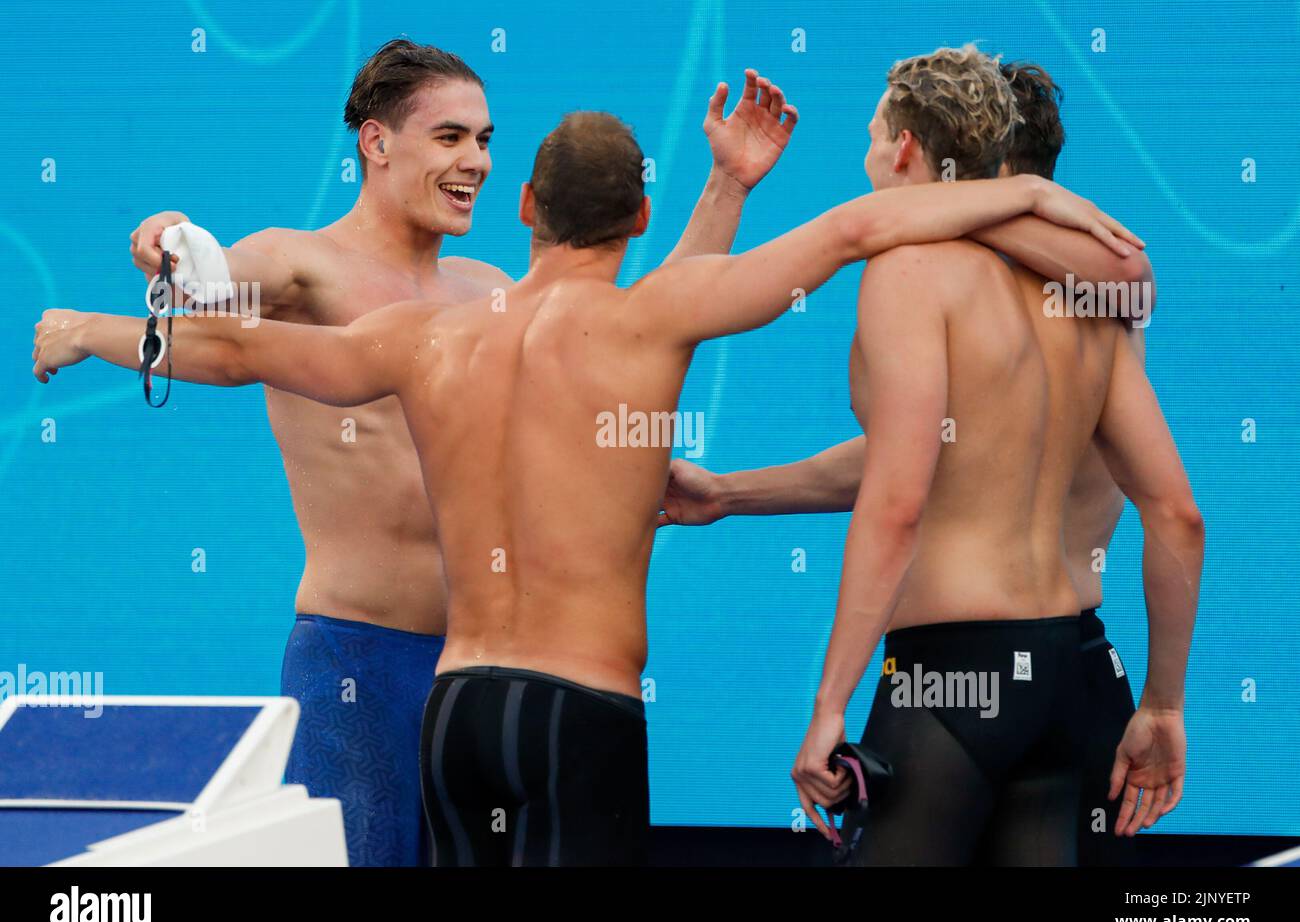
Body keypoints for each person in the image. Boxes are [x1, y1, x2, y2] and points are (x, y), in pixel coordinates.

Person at [35, 103, 1138, 864]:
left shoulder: (430, 338)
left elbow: (235, 350)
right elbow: (856, 228)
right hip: (579, 714)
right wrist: (1020, 191)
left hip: (456, 708)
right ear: (641, 221)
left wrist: (87, 328)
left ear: (524, 207)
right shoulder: (649, 320)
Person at [31, 39, 806, 867]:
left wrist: (726, 187)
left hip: (476, 680)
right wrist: (170, 248)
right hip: (357, 663)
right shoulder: (303, 267)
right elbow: (221, 302)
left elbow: (647, 325)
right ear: (376, 143)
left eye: (484, 140)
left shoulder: (486, 290)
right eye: (450, 138)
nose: (474, 159)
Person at [661, 61, 1162, 865]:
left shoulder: (911, 271)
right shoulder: (1097, 301)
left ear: (903, 151)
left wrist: (830, 705)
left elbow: (898, 497)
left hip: (951, 675)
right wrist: (729, 491)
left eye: (869, 140)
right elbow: (953, 450)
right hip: (1074, 667)